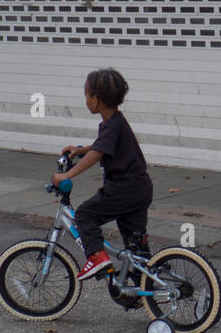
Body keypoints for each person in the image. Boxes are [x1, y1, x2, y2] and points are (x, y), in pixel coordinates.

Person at [53, 68, 153, 280]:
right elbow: (101, 145)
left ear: (96, 100)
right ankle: (142, 285)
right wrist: (80, 150)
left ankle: (97, 257)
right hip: (139, 189)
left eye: (86, 95)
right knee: (135, 244)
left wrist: (67, 175)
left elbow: (99, 152)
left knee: (84, 215)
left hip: (123, 189)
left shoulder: (112, 126)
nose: (86, 100)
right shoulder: (115, 123)